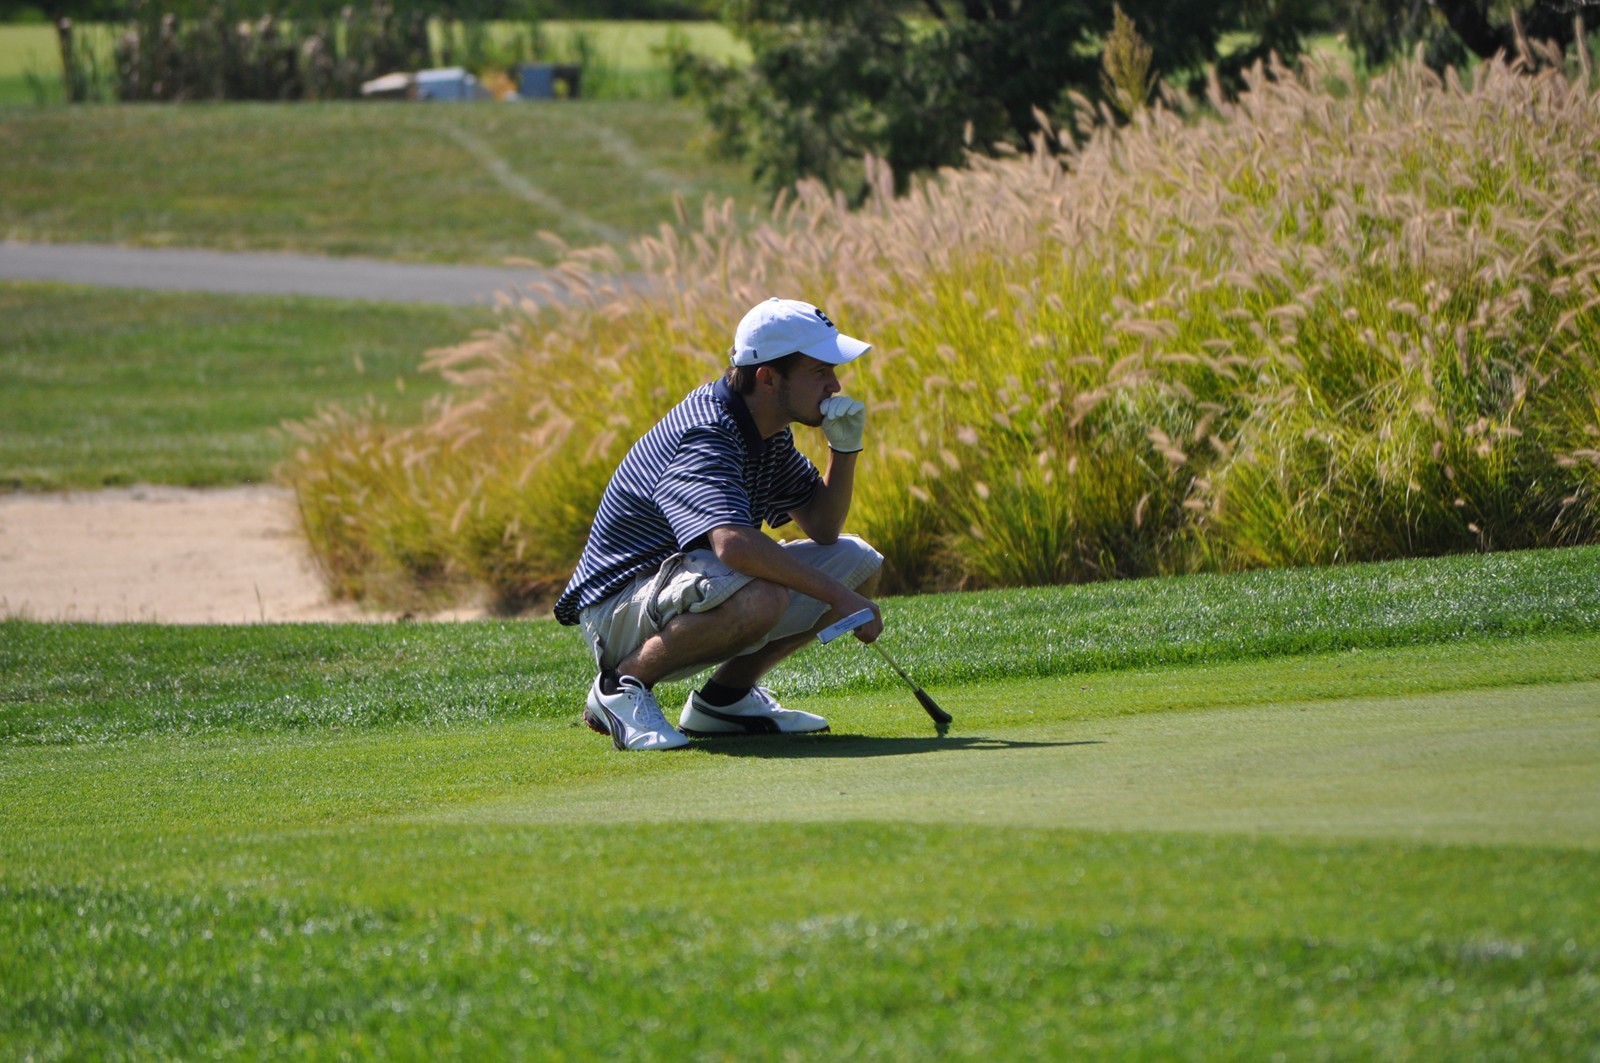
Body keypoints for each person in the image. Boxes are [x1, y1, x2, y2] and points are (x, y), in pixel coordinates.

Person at [553, 297, 885, 751]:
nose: (835, 384)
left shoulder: (768, 430)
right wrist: (837, 597)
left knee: (859, 564)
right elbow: (734, 545)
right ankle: (621, 686)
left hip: (683, 588)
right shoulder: (707, 429)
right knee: (762, 595)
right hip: (618, 606)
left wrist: (843, 452)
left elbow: (824, 529)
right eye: (819, 372)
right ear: (768, 377)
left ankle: (724, 702)